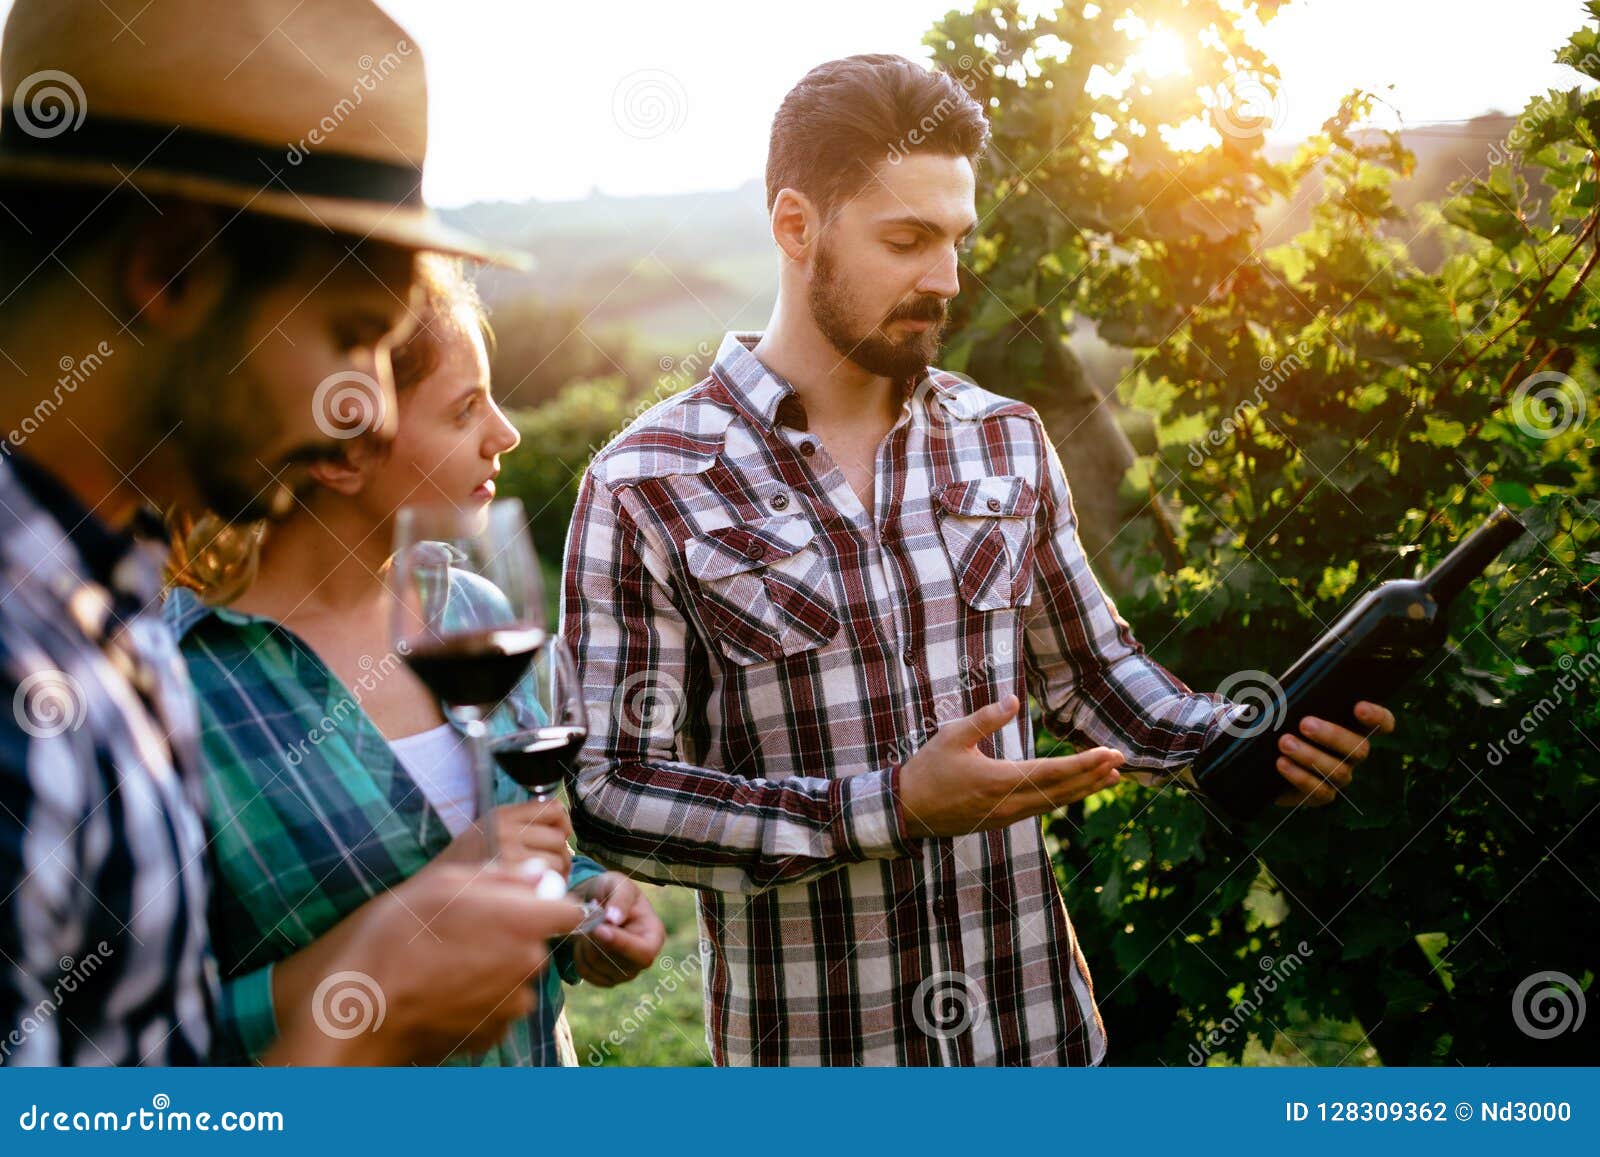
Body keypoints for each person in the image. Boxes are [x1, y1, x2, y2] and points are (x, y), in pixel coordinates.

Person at [561, 54, 1400, 1066]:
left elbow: (1091, 676)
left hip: (1039, 1037)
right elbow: (609, 790)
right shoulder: (646, 480)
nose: (946, 277)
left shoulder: (1001, 437)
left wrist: (1241, 741)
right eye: (906, 239)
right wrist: (886, 807)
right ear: (795, 227)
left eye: (956, 239)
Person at [0, 0, 581, 1066]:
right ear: (174, 272)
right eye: (350, 335)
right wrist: (350, 1022)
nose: (350, 415)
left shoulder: (106, 605)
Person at [165, 256, 665, 1065]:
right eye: (465, 409)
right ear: (339, 451)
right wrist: (431, 903)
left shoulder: (476, 613)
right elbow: (135, 1046)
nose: (507, 433)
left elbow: (525, 848)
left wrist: (583, 909)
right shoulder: (178, 686)